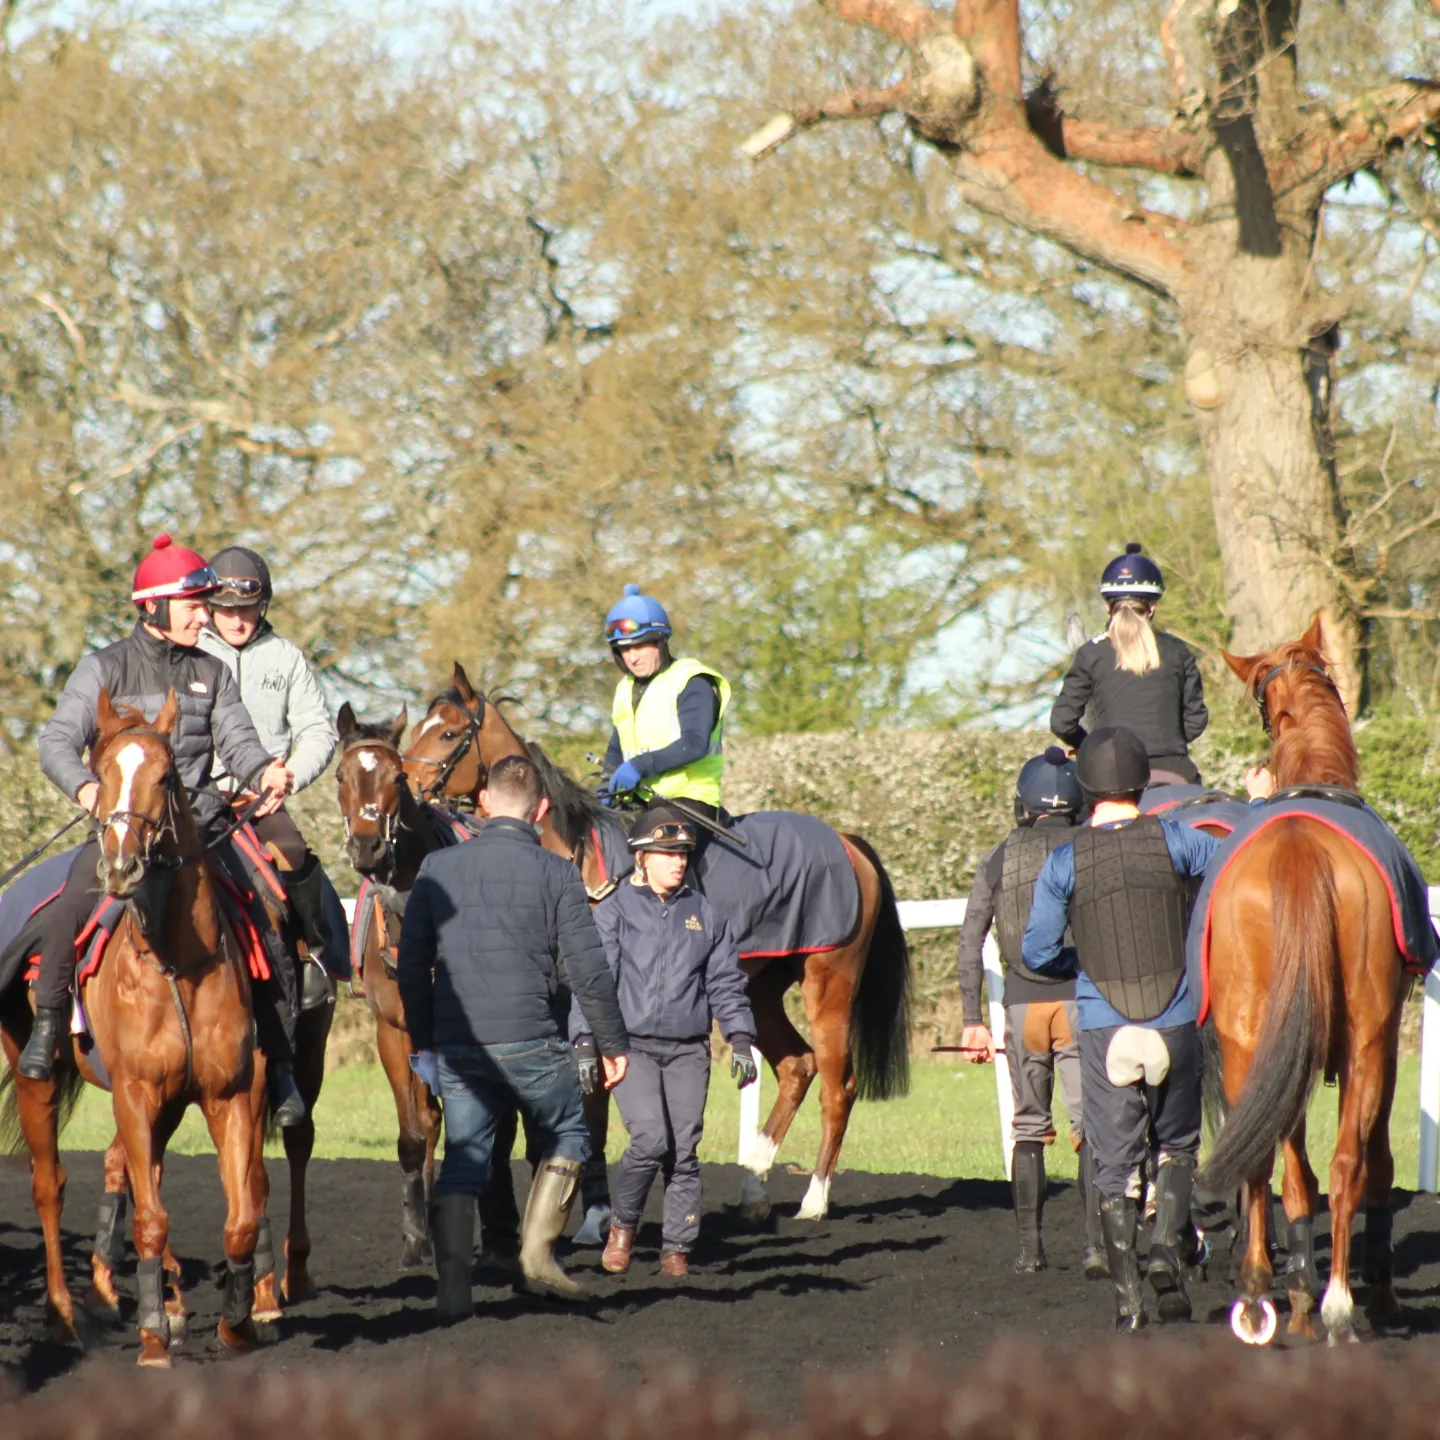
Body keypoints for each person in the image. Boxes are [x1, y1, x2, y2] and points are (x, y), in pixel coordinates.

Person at [17, 535, 306, 1124]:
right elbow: (55, 742)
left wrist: (265, 769)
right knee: (73, 903)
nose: (207, 613)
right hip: (123, 827)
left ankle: (278, 1063)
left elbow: (239, 741)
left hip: (200, 830)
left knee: (269, 914)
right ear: (153, 607)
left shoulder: (211, 670)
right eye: (195, 604)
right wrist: (88, 789)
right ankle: (48, 1028)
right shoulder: (102, 668)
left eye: (206, 604)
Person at [1022, 728, 1269, 1331]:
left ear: (1087, 790)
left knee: (1113, 1164)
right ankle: (1166, 1249)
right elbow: (1237, 870)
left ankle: (1129, 1301)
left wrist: (1077, 967)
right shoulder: (1179, 839)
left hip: (1104, 1027)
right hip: (1176, 1019)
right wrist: (1258, 805)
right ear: (1141, 784)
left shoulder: (1063, 861)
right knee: (1178, 1147)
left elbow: (1036, 950)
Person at [397, 753, 630, 1322]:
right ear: (542, 809)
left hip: (458, 1046)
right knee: (571, 1134)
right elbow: (588, 968)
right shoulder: (556, 872)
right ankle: (537, 1255)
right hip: (533, 1041)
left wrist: (425, 1042)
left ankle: (454, 1288)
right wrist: (613, 1043)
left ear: (482, 804)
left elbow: (411, 967)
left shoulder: (437, 870)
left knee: (463, 1159)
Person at [577, 803, 757, 1279]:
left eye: (683, 853)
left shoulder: (707, 916)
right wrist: (583, 1041)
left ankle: (677, 1247)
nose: (678, 860)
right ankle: (623, 1227)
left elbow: (726, 984)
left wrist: (739, 1037)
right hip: (629, 1047)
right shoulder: (614, 911)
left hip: (687, 1050)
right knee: (651, 1139)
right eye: (667, 852)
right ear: (642, 857)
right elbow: (594, 983)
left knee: (684, 1149)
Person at [955, 746, 1103, 1278]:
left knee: (1027, 1128)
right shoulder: (1092, 848)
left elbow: (970, 943)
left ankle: (1030, 1252)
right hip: (1082, 1003)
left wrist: (972, 1020)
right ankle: (1095, 1247)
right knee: (1091, 1127)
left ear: (1023, 805)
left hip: (1022, 1008)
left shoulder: (997, 857)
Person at [198, 546, 339, 992]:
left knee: (293, 854)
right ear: (208, 607)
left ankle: (313, 956)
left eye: (247, 609)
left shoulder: (286, 657)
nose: (237, 620)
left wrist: (291, 776)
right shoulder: (187, 654)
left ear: (263, 606)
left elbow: (319, 729)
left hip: (260, 802)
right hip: (196, 798)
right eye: (225, 610)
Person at [1050, 544, 1208, 786]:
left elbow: (1061, 721)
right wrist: (1168, 743)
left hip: (1113, 773)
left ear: (1107, 607)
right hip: (1175, 771)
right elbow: (1196, 719)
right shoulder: (1178, 651)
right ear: (1152, 607)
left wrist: (1092, 746)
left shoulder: (1091, 653)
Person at [600, 584, 732, 821]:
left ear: (661, 642)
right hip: (640, 800)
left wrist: (640, 766)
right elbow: (617, 749)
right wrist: (603, 788)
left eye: (640, 645)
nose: (633, 657)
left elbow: (694, 743)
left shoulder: (692, 681)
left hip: (690, 801)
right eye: (625, 649)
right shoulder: (624, 689)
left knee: (655, 849)